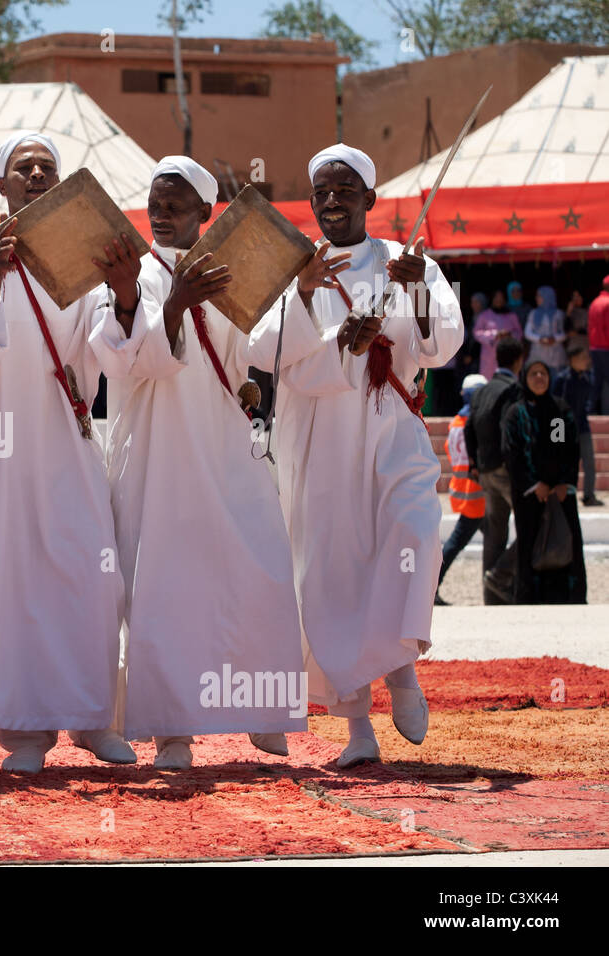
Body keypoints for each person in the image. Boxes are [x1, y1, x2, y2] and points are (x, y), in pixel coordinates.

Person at [246, 144, 463, 768]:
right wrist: (315, 310)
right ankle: (358, 730)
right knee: (334, 576)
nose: (332, 200)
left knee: (415, 536)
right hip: (318, 436)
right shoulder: (295, 266)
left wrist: (418, 293)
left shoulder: (406, 260)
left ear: (370, 198)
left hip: (391, 430)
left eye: (345, 189)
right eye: (321, 191)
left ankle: (402, 674)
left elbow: (440, 343)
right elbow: (264, 348)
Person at [90, 156, 306, 769]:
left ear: (205, 213)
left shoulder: (235, 263)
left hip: (228, 446)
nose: (161, 214)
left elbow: (267, 350)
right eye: (155, 203)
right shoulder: (129, 269)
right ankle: (172, 729)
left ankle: (261, 712)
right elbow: (124, 361)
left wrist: (301, 290)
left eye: (176, 205)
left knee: (257, 571)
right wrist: (169, 302)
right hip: (157, 455)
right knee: (164, 589)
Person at [0, 131, 136, 774]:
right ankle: (25, 733)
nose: (36, 175)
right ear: (1, 184)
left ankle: (93, 719)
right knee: (14, 582)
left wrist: (126, 291)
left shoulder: (86, 261)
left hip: (70, 444)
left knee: (90, 575)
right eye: (23, 168)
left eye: (47, 168)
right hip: (1, 452)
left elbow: (113, 353)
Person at [501, 360, 587, 604]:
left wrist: (562, 482)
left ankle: (570, 597)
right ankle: (530, 600)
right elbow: (512, 454)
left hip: (559, 494)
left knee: (567, 540)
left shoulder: (558, 412)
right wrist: (533, 484)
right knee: (530, 544)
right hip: (530, 496)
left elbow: (566, 448)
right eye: (534, 373)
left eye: (544, 373)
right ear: (525, 378)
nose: (539, 377)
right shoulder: (516, 413)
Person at [465, 337, 525, 604]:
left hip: (485, 469)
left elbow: (468, 428)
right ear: (520, 360)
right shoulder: (514, 389)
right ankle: (501, 575)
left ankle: (491, 596)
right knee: (533, 525)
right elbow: (510, 430)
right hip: (505, 468)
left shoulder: (482, 390)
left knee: (494, 533)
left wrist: (474, 464)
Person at [435, 373, 488, 604]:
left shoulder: (456, 421)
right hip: (476, 493)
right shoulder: (475, 422)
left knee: (495, 538)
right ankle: (431, 586)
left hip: (461, 489)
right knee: (456, 543)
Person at [552, 345, 601, 507]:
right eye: (583, 357)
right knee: (565, 463)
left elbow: (589, 400)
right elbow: (555, 405)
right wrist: (556, 432)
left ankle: (588, 495)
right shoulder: (562, 379)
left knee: (589, 462)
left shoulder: (587, 378)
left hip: (582, 426)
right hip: (563, 427)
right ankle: (563, 494)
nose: (587, 360)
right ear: (573, 359)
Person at [473, 289, 523, 379]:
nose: (498, 300)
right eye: (496, 297)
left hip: (508, 353)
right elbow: (477, 332)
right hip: (489, 356)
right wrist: (494, 334)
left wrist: (509, 335)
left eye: (501, 297)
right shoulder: (484, 315)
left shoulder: (511, 315)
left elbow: (519, 332)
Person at [524, 285, 566, 371]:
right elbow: (527, 333)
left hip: (555, 353)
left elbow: (564, 333)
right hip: (538, 352)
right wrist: (540, 339)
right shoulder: (533, 313)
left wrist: (554, 339)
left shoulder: (558, 314)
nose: (536, 298)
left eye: (539, 296)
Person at [589, 276, 609, 414]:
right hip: (606, 346)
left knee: (597, 381)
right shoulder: (607, 303)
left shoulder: (595, 302)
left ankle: (588, 411)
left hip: (595, 346)